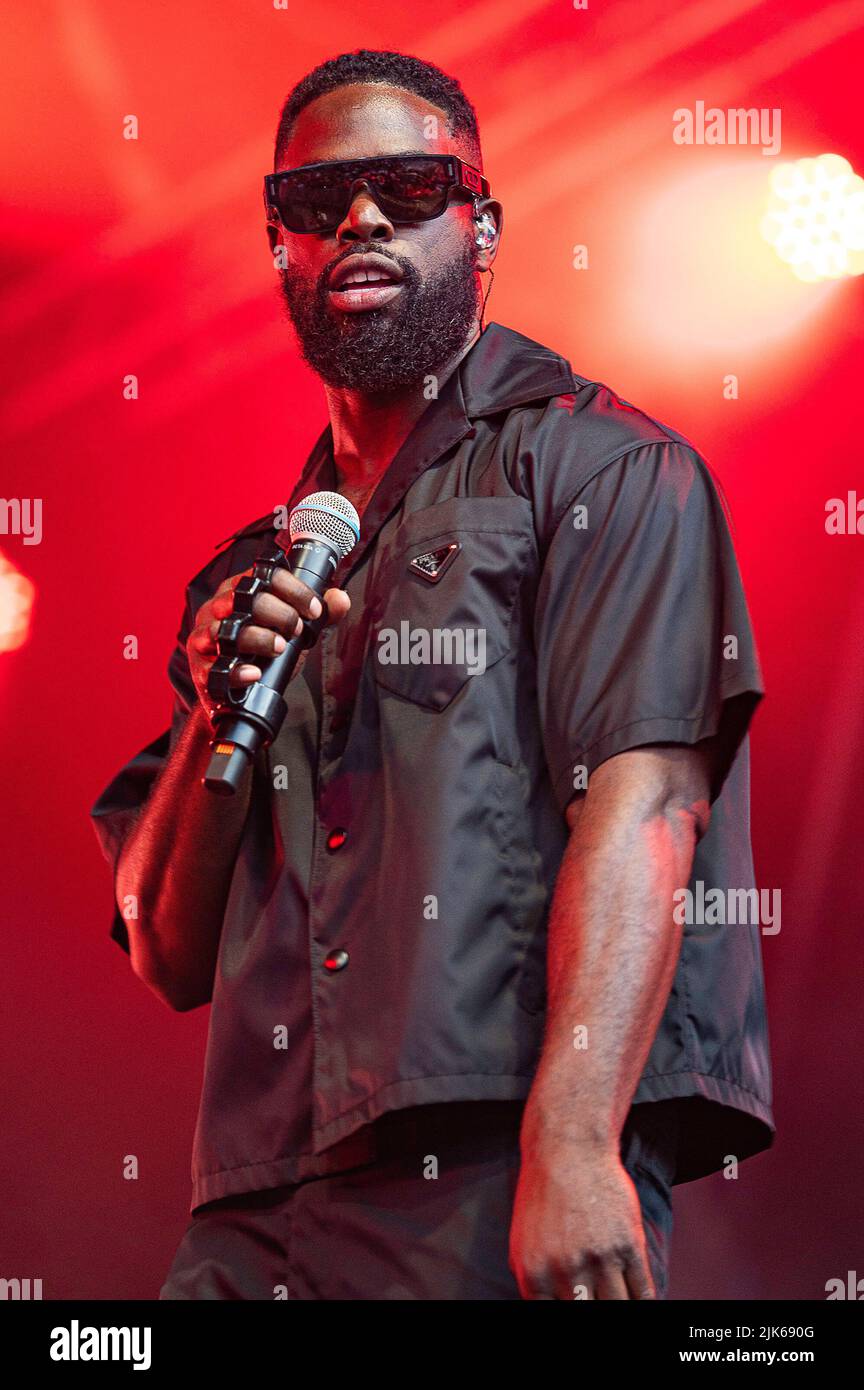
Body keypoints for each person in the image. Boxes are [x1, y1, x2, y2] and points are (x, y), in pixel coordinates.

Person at [91, 49, 774, 1301]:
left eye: (406, 186)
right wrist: (210, 703)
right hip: (250, 1211)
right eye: (314, 201)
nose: (356, 218)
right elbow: (168, 948)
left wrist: (572, 1138)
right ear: (279, 247)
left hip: (480, 1170)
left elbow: (645, 808)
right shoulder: (254, 574)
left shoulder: (602, 468)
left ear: (483, 223)